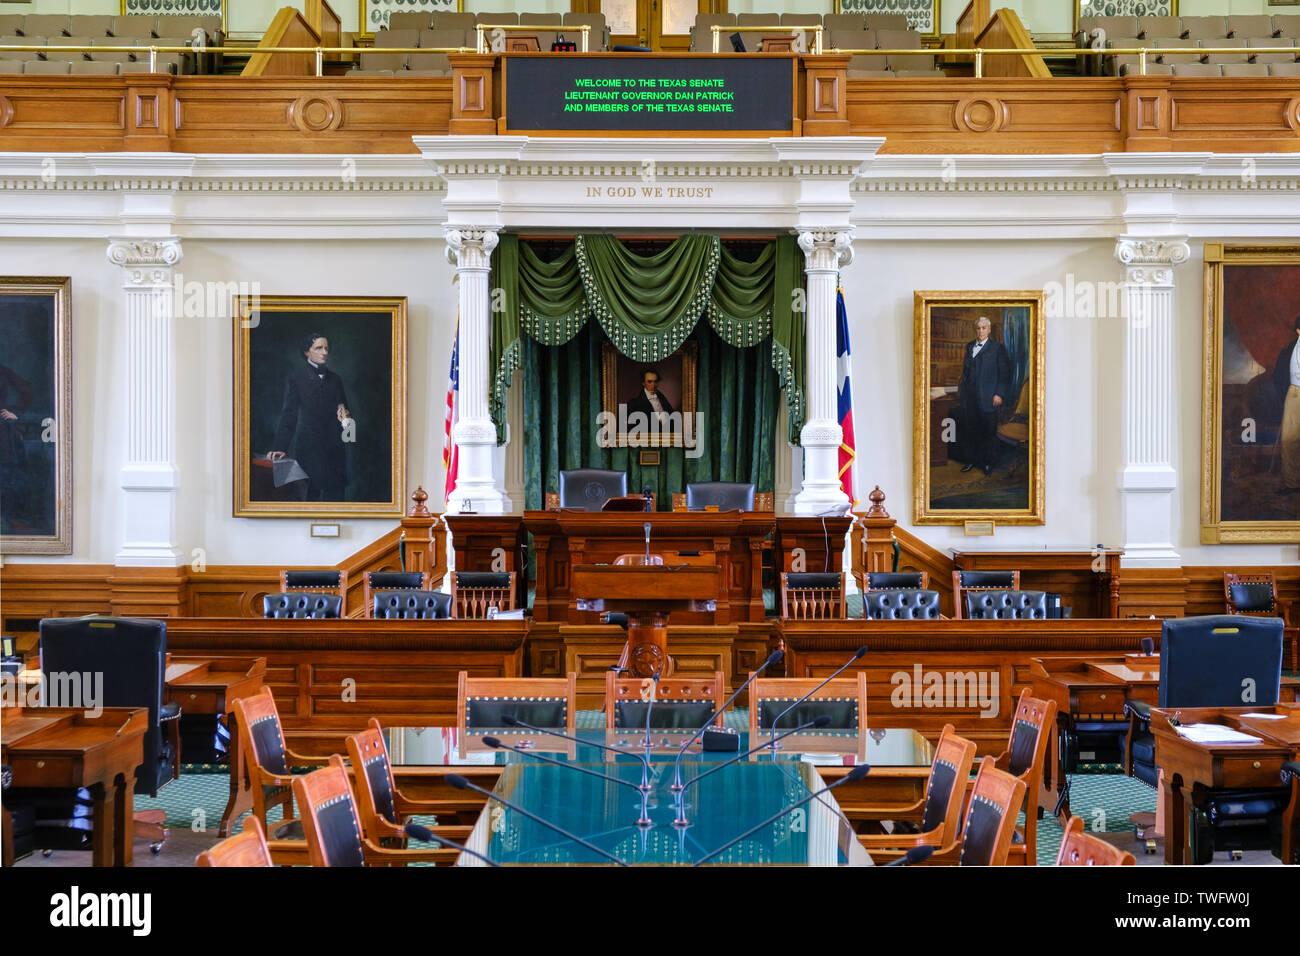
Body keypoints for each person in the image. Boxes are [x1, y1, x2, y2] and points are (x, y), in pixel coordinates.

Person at [267, 333, 352, 501]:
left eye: (326, 348)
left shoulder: (335, 379)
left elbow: (345, 412)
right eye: (319, 348)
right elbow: (289, 414)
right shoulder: (297, 378)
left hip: (335, 450)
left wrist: (346, 419)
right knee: (309, 498)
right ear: (307, 352)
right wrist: (281, 447)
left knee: (336, 500)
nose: (325, 352)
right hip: (309, 450)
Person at [956, 316, 1012, 477]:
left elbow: (1004, 374)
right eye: (978, 328)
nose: (980, 331)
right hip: (969, 397)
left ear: (989, 330)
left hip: (988, 397)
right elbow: (966, 372)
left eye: (983, 328)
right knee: (971, 430)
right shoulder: (969, 347)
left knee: (988, 432)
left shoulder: (997, 348)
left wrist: (999, 394)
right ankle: (972, 460)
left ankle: (988, 462)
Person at [1274, 314, 1300, 494]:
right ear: (1298, 331)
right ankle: (1292, 483)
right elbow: (1279, 376)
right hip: (1294, 394)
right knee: (1289, 440)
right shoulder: (1287, 351)